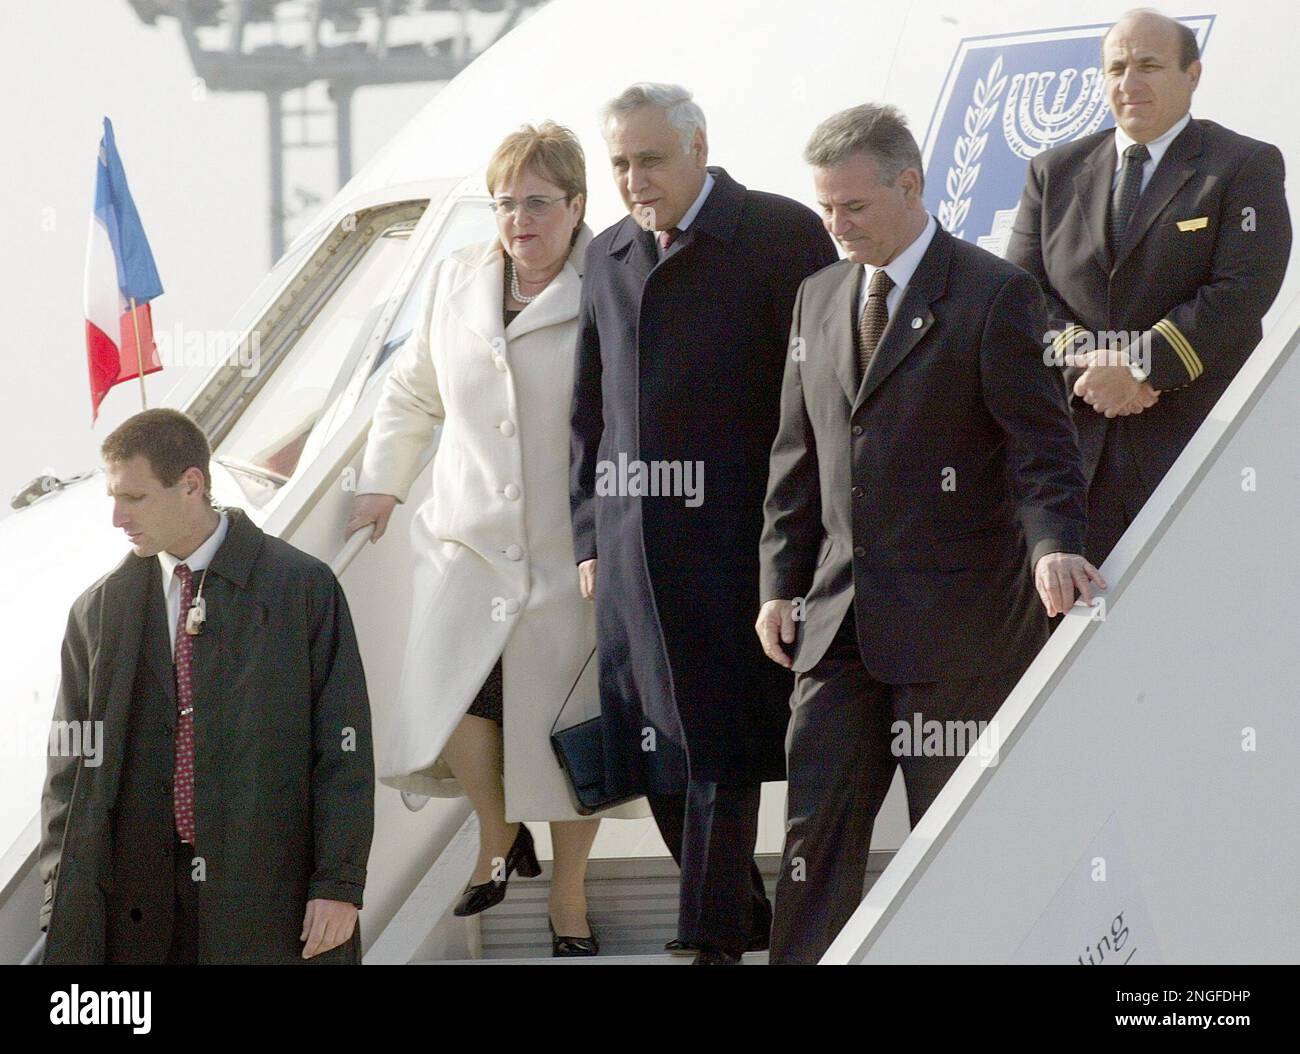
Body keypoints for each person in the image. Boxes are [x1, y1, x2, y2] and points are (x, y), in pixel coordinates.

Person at [756, 104, 1096, 965]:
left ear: (909, 185)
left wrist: (1054, 542)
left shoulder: (994, 294)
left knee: (960, 842)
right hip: (835, 628)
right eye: (826, 208)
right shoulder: (818, 294)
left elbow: (1039, 447)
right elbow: (799, 457)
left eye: (853, 207)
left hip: (959, 634)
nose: (834, 227)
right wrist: (775, 585)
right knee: (812, 843)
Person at [349, 122, 641, 957]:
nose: (519, 219)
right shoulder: (457, 279)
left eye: (539, 202)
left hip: (568, 546)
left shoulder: (612, 281)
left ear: (578, 205)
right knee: (450, 700)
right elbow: (412, 393)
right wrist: (383, 483)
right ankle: (496, 832)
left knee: (564, 730)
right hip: (467, 539)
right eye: (506, 202)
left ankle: (569, 897)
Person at [571, 82, 838, 965]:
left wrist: (803, 536)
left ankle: (706, 939)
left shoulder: (780, 233)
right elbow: (588, 413)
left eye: (649, 159)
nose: (634, 179)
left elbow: (818, 397)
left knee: (720, 733)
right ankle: (744, 911)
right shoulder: (605, 255)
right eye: (619, 164)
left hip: (740, 541)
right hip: (629, 550)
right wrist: (587, 539)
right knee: (656, 748)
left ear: (698, 147)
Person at [40, 408, 373, 964]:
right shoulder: (99, 611)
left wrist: (339, 884)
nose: (118, 517)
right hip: (138, 910)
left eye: (135, 498)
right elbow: (66, 773)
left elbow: (343, 749)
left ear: (191, 484)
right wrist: (61, 900)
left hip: (268, 896)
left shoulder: (301, 588)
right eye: (113, 498)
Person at [1006, 8, 1291, 565]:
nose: (1128, 84)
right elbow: (1022, 295)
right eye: (1115, 68)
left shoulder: (1242, 166)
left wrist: (1139, 366)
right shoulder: (1054, 170)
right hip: (1072, 458)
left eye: (1149, 66)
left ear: (1193, 75)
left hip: (1194, 447)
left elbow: (1242, 290)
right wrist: (1094, 367)